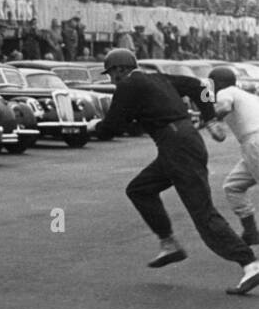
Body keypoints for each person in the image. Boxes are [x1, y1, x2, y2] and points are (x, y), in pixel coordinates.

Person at [94, 49, 259, 295]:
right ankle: (168, 243)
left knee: (202, 212)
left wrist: (94, 127)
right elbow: (198, 86)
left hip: (176, 146)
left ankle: (249, 263)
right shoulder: (157, 78)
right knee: (140, 189)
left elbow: (113, 126)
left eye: (111, 74)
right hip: (181, 143)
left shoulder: (128, 86)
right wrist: (210, 118)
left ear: (119, 70)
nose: (111, 79)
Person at [211, 67, 259, 247]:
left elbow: (222, 107)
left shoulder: (226, 92)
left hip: (254, 141)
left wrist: (210, 119)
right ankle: (251, 232)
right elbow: (207, 100)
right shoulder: (245, 95)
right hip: (251, 143)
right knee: (233, 186)